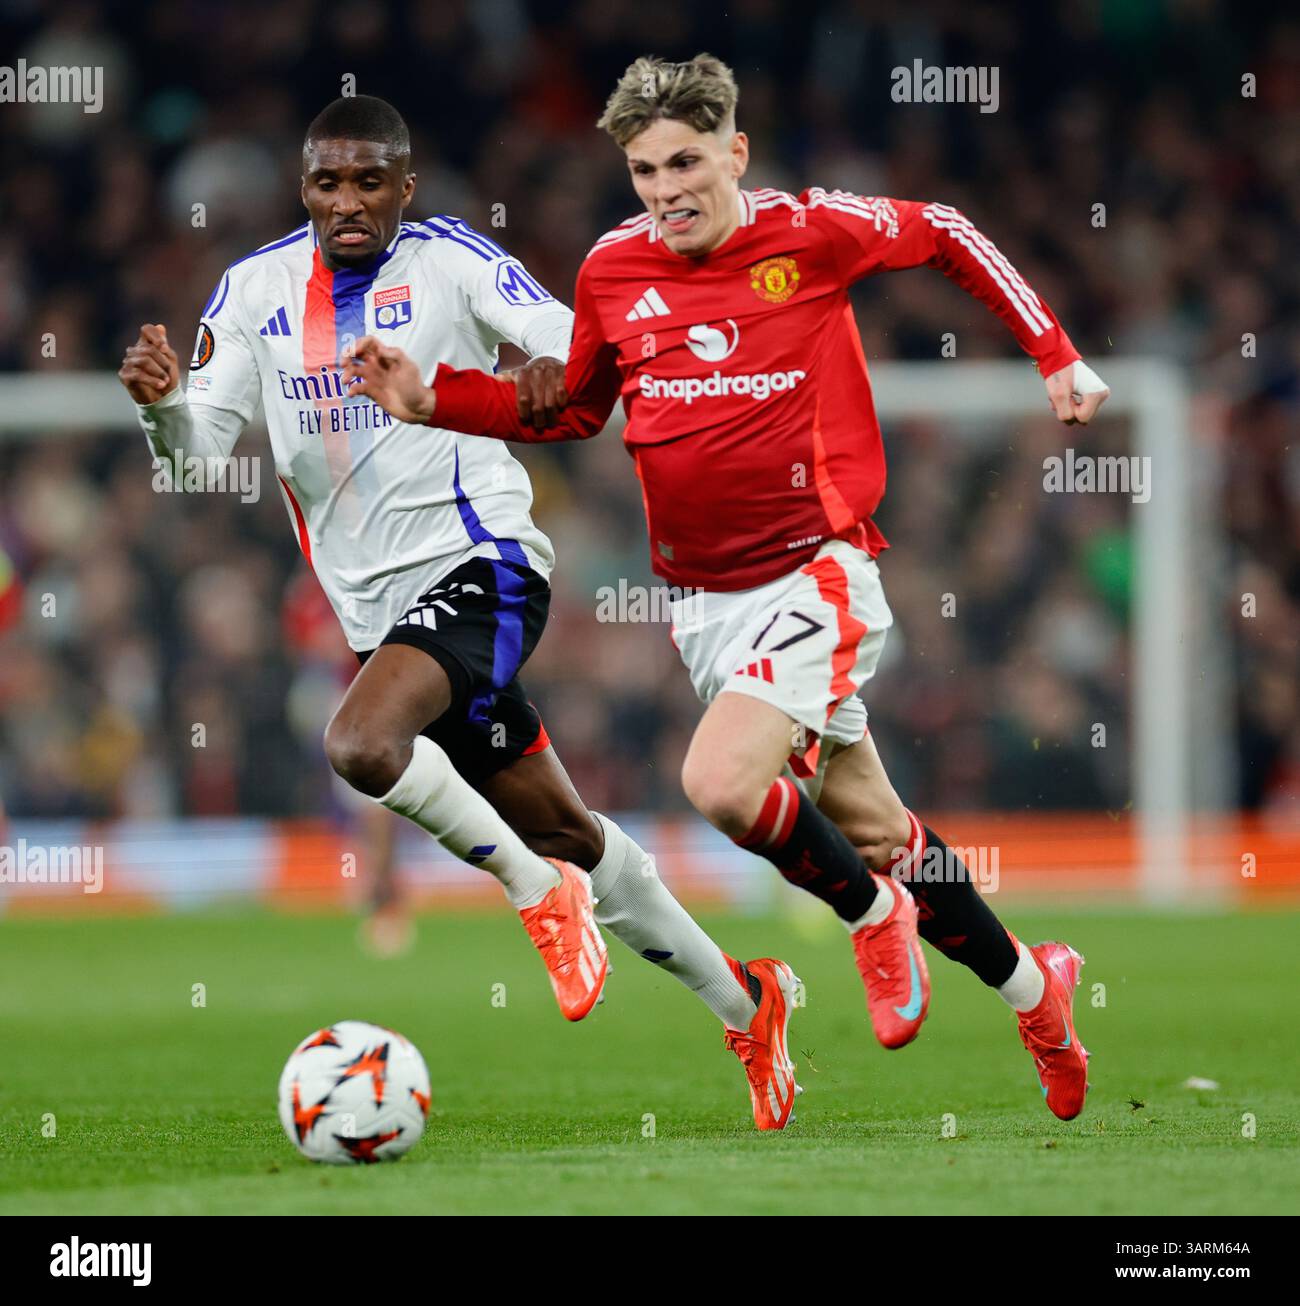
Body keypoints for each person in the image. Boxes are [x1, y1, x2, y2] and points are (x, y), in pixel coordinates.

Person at [342, 57, 1111, 1121]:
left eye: (687, 162)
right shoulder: (615, 268)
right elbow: (572, 408)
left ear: (735, 152)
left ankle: (869, 917)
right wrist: (435, 399)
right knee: (877, 826)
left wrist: (1055, 355)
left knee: (721, 784)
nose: (667, 188)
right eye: (647, 169)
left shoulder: (810, 233)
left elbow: (942, 226)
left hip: (817, 568)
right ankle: (1038, 993)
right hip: (702, 607)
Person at [118, 94, 800, 1130]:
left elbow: (571, 344)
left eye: (367, 181)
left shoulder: (449, 261)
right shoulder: (253, 290)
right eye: (325, 182)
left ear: (405, 185)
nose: (346, 202)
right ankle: (748, 1002)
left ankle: (533, 892)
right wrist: (164, 406)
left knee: (357, 742)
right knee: (572, 828)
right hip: (378, 615)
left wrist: (544, 373)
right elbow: (197, 455)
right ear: (303, 187)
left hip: (488, 565)